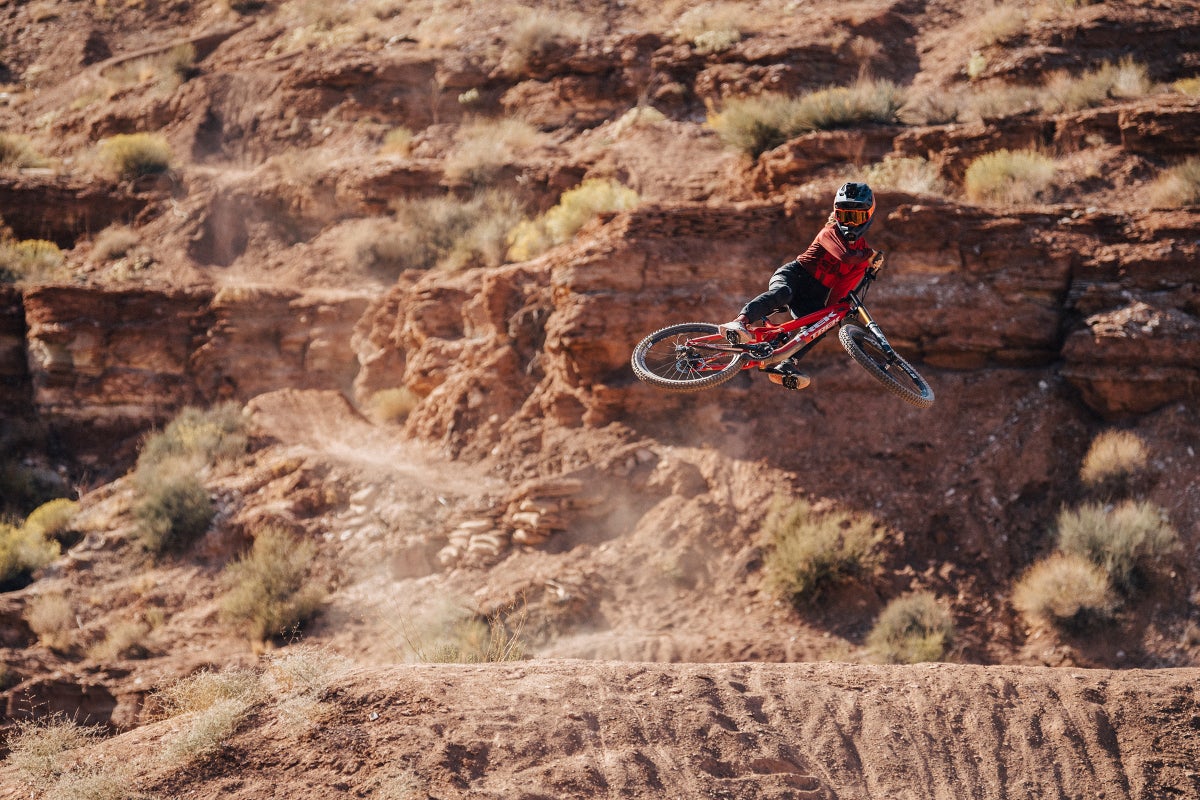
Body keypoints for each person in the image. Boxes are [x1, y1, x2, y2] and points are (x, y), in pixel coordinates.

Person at [719, 181, 880, 391]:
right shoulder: (830, 232)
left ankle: (787, 364)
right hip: (794, 276)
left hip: (813, 294)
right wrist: (871, 255)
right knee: (782, 292)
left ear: (869, 215)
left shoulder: (861, 256)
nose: (849, 223)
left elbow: (840, 290)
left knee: (822, 325)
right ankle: (740, 322)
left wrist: (833, 314)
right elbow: (845, 256)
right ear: (835, 214)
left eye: (855, 217)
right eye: (843, 216)